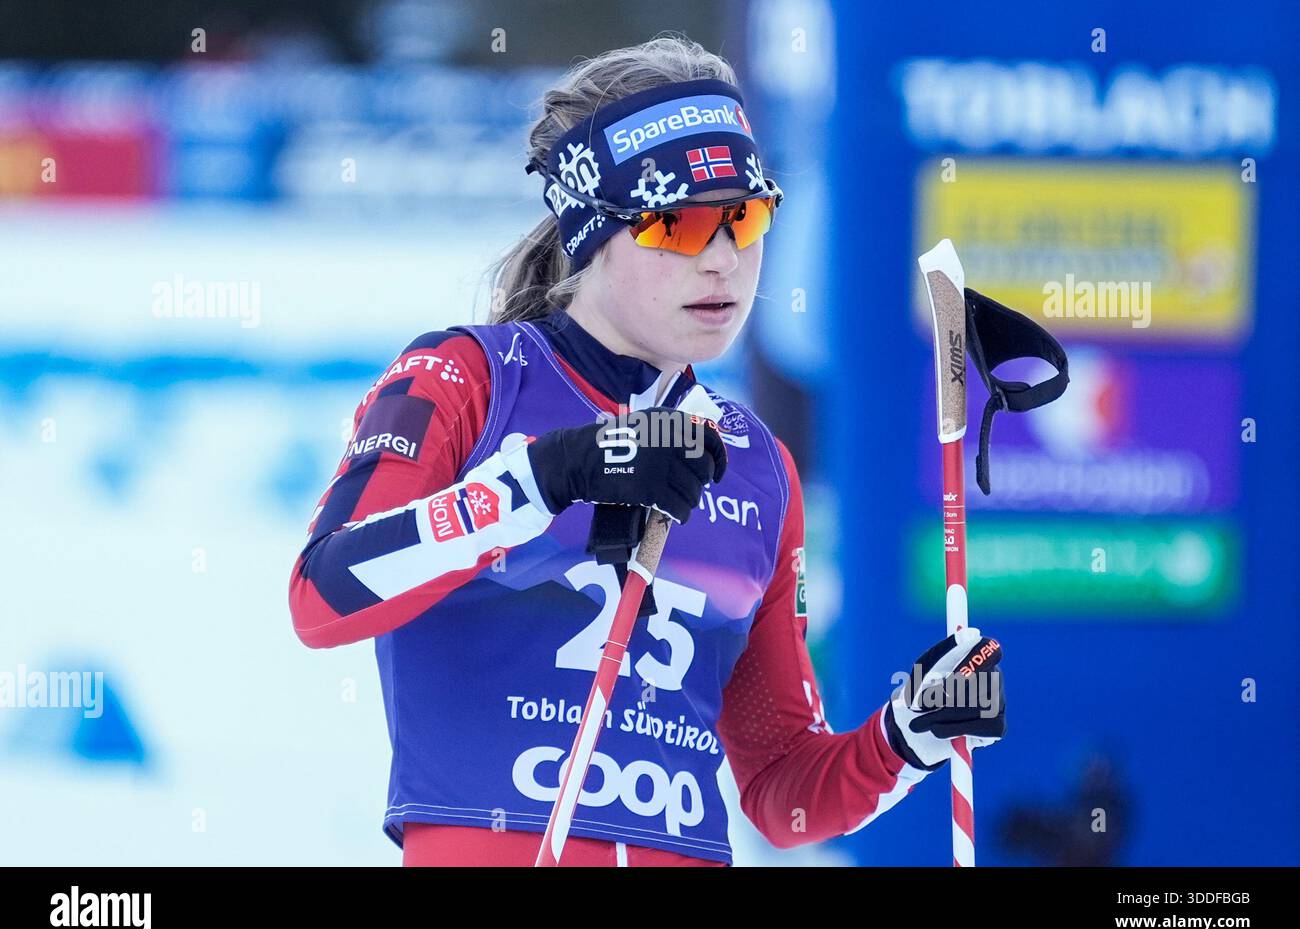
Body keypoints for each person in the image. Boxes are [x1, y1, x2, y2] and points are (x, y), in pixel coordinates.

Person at [288, 34, 1005, 867]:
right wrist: (544, 480)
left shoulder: (756, 465)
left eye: (747, 217)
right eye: (682, 224)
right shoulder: (468, 379)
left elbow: (782, 793)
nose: (724, 258)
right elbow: (324, 593)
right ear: (593, 232)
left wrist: (903, 737)